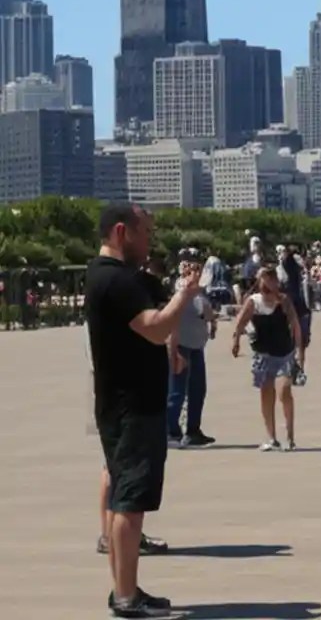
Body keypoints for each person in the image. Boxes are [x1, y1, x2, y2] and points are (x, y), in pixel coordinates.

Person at [87, 202, 201, 617]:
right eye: (145, 232)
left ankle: (126, 588)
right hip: (131, 406)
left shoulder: (114, 277)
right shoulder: (113, 281)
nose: (149, 240)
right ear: (122, 232)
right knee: (130, 502)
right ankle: (126, 597)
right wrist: (185, 295)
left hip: (124, 404)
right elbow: (154, 327)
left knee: (124, 498)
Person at [232, 267, 304, 451]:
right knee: (266, 395)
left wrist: (300, 353)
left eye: (271, 279)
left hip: (284, 353)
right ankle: (271, 437)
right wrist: (236, 341)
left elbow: (295, 325)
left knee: (285, 391)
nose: (267, 283)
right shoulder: (253, 302)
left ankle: (290, 437)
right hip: (263, 355)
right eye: (264, 279)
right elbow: (240, 322)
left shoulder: (284, 301)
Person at [166, 255, 217, 448]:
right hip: (182, 346)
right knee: (177, 392)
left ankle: (193, 431)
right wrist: (174, 351)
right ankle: (170, 431)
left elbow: (205, 311)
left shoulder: (199, 293)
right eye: (194, 270)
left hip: (197, 347)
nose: (199, 273)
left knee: (198, 390)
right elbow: (173, 322)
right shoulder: (182, 292)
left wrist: (212, 322)